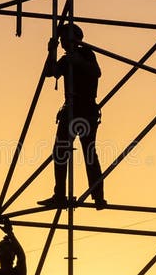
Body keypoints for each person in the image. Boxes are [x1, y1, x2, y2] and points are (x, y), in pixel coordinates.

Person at [38, 23, 107, 210]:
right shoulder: (66, 59)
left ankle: (98, 195)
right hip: (71, 111)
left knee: (89, 153)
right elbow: (50, 73)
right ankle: (60, 194)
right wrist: (51, 52)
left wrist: (79, 63)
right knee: (60, 152)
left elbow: (96, 72)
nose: (61, 43)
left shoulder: (86, 53)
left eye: (62, 39)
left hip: (85, 111)